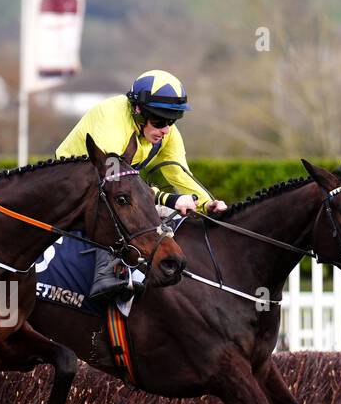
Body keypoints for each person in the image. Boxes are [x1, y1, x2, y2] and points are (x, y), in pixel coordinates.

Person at [56, 69, 228, 303]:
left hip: (112, 187)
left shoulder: (166, 132)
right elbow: (117, 183)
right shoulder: (112, 120)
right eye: (159, 120)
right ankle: (105, 278)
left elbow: (178, 172)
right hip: (74, 183)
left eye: (172, 121)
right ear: (138, 110)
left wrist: (208, 203)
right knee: (126, 215)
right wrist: (170, 199)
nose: (166, 129)